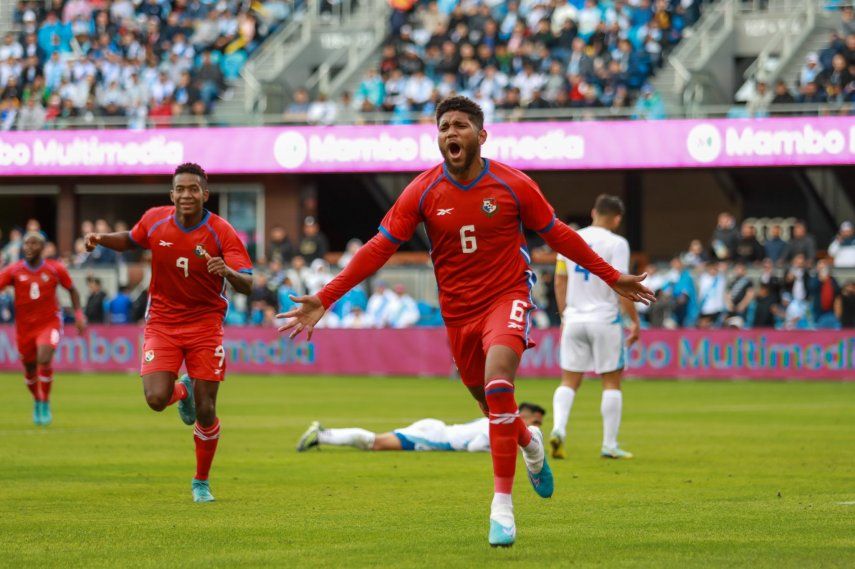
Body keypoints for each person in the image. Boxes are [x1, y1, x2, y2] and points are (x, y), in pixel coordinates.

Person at [277, 96, 654, 547]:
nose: (451, 134)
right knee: (489, 405)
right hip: (457, 312)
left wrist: (613, 278)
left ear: (481, 135)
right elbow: (379, 247)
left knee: (499, 385)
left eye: (460, 126)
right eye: (444, 127)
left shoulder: (514, 185)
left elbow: (559, 235)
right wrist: (326, 296)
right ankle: (530, 442)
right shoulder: (422, 190)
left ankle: (502, 508)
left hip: (507, 295)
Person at [84, 163, 253, 503]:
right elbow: (131, 240)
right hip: (162, 321)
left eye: (194, 189)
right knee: (156, 399)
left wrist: (229, 273)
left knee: (206, 410)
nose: (187, 194)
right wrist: (100, 239)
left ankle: (201, 482)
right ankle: (182, 392)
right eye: (181, 189)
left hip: (205, 325)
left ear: (205, 194)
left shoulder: (222, 231)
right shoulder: (155, 219)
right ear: (172, 194)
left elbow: (248, 283)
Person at [550, 195, 639, 461]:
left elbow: (559, 281)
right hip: (605, 319)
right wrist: (634, 320)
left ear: (593, 212)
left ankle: (558, 429)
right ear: (617, 218)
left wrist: (566, 313)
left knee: (569, 380)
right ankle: (609, 444)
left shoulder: (568, 238)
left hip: (574, 319)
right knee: (611, 381)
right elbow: (621, 285)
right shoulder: (617, 243)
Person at [0, 231, 85, 425]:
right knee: (30, 369)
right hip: (24, 329)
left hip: (49, 323)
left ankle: (45, 401)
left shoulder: (55, 269)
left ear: (43, 247)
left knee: (44, 358)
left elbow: (72, 290)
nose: (28, 247)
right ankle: (37, 400)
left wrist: (79, 314)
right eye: (26, 244)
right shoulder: (14, 270)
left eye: (33, 244)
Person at [296, 403, 546, 452]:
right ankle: (322, 434)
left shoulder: (498, 421)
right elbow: (475, 446)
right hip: (436, 437)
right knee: (376, 443)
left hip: (436, 431)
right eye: (534, 422)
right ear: (524, 415)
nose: (534, 428)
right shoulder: (499, 425)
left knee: (376, 443)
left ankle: (323, 435)